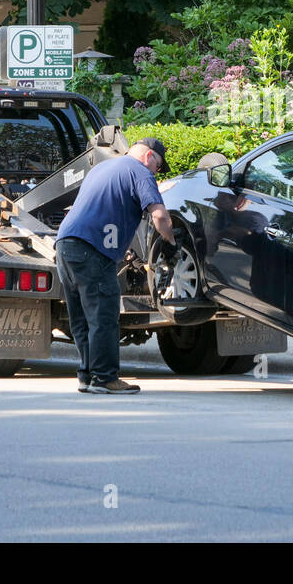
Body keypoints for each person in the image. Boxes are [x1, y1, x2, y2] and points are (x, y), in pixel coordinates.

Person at [55, 137, 175, 394]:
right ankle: (105, 378)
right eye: (158, 166)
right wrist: (172, 243)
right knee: (104, 316)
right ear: (149, 157)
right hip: (93, 249)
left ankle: (87, 376)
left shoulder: (103, 167)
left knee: (82, 318)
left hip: (65, 245)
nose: (155, 172)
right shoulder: (141, 172)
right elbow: (159, 215)